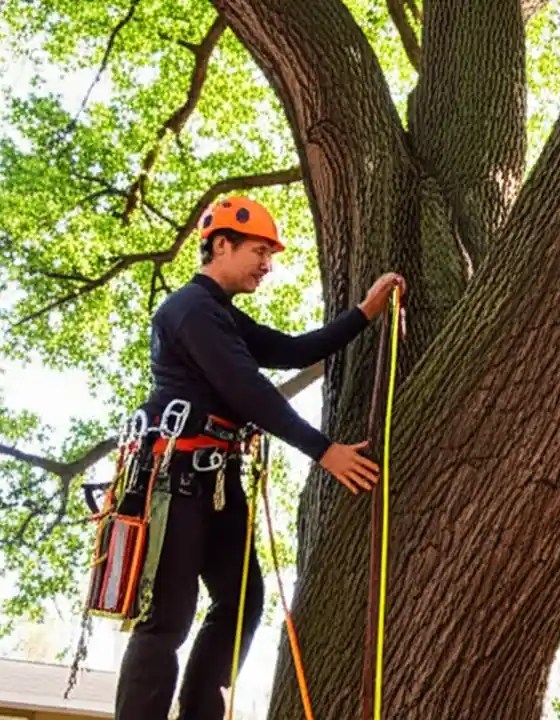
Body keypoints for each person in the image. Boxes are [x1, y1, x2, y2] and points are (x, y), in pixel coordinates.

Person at [113, 194, 404, 719]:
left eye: (270, 254)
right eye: (259, 251)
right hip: (176, 482)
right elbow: (246, 389)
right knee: (168, 620)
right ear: (220, 245)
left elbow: (292, 351)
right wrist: (323, 450)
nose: (267, 265)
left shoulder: (221, 315)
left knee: (241, 603)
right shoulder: (189, 310)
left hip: (216, 483)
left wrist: (365, 312)